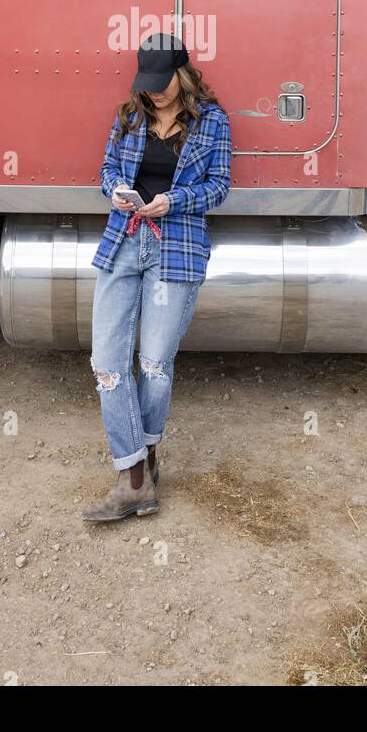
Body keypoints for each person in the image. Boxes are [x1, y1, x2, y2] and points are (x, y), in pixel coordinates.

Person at [83, 32, 232, 522]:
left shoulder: (212, 122)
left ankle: (139, 473)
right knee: (107, 364)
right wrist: (116, 190)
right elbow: (106, 167)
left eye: (162, 83)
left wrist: (175, 200)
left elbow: (219, 187)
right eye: (146, 84)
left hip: (177, 246)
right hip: (123, 240)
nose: (154, 93)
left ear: (182, 74)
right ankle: (137, 473)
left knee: (153, 366)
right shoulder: (130, 116)